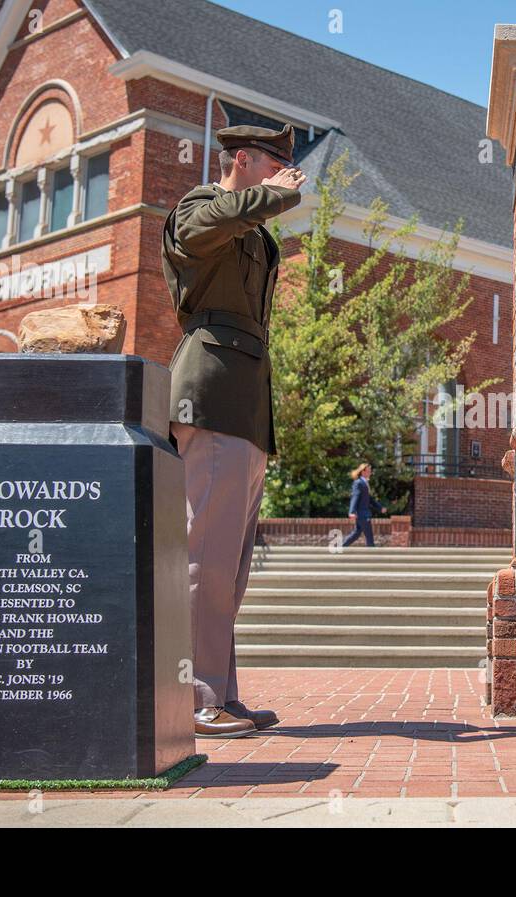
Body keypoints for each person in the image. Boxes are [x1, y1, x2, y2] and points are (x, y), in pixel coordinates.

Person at [162, 124, 307, 738]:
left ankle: (220, 694)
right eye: (275, 165)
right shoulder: (198, 207)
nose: (284, 175)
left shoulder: (251, 232)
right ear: (242, 160)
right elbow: (200, 231)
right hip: (213, 391)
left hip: (244, 402)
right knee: (205, 560)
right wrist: (275, 198)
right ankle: (194, 701)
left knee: (230, 566)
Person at [342, 462, 387, 547]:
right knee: (369, 534)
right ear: (363, 472)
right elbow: (355, 497)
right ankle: (372, 551)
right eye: (369, 471)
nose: (370, 473)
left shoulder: (365, 483)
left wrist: (380, 508)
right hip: (362, 514)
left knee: (357, 533)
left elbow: (369, 499)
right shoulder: (358, 483)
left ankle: (340, 547)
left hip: (363, 513)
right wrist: (351, 511)